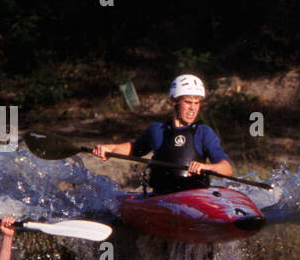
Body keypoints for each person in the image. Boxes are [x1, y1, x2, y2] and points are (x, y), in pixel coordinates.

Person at [90, 74, 232, 194]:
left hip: (194, 196)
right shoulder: (157, 130)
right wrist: (109, 149)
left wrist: (206, 167)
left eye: (197, 103)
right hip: (161, 197)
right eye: (188, 102)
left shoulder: (203, 132)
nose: (193, 108)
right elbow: (134, 149)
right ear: (174, 101)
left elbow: (226, 168)